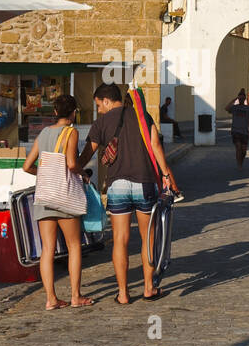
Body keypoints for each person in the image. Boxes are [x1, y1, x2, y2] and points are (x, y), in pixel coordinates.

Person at [79, 83, 178, 305]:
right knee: (147, 238)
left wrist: (73, 168)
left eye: (98, 105)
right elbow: (156, 146)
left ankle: (123, 294)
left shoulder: (101, 122)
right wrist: (166, 176)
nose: (99, 110)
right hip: (144, 182)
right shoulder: (143, 117)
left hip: (117, 185)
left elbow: (88, 152)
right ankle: (149, 288)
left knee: (120, 240)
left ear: (106, 100)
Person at [22, 95, 93, 310]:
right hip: (64, 197)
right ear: (73, 113)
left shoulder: (44, 133)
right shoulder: (71, 132)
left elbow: (26, 166)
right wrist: (84, 175)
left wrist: (44, 174)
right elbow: (72, 163)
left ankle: (51, 299)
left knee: (47, 249)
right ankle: (75, 296)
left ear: (54, 112)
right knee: (73, 247)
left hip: (44, 197)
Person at [225, 89, 249, 169]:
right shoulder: (234, 107)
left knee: (244, 151)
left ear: (244, 99)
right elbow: (226, 108)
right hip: (235, 130)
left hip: (244, 131)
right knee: (238, 147)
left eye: (242, 99)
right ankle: (239, 164)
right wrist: (234, 99)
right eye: (239, 98)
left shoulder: (247, 108)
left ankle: (241, 161)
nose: (241, 100)